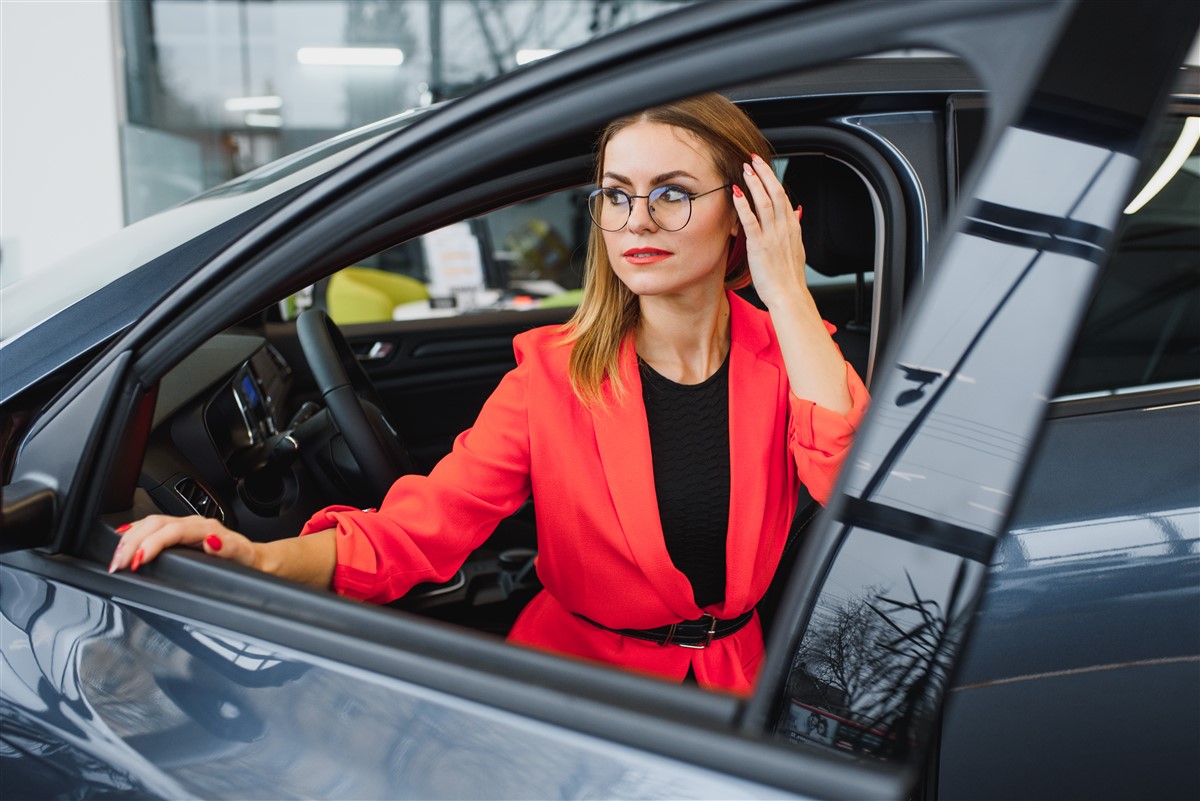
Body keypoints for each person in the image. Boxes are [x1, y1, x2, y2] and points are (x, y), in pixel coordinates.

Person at [110, 93, 869, 694]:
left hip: (737, 687)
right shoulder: (550, 375)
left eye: (671, 193)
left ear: (744, 211)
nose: (637, 220)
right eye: (616, 195)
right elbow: (418, 531)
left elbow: (856, 491)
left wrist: (787, 291)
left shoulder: (792, 356)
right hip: (577, 693)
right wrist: (258, 559)